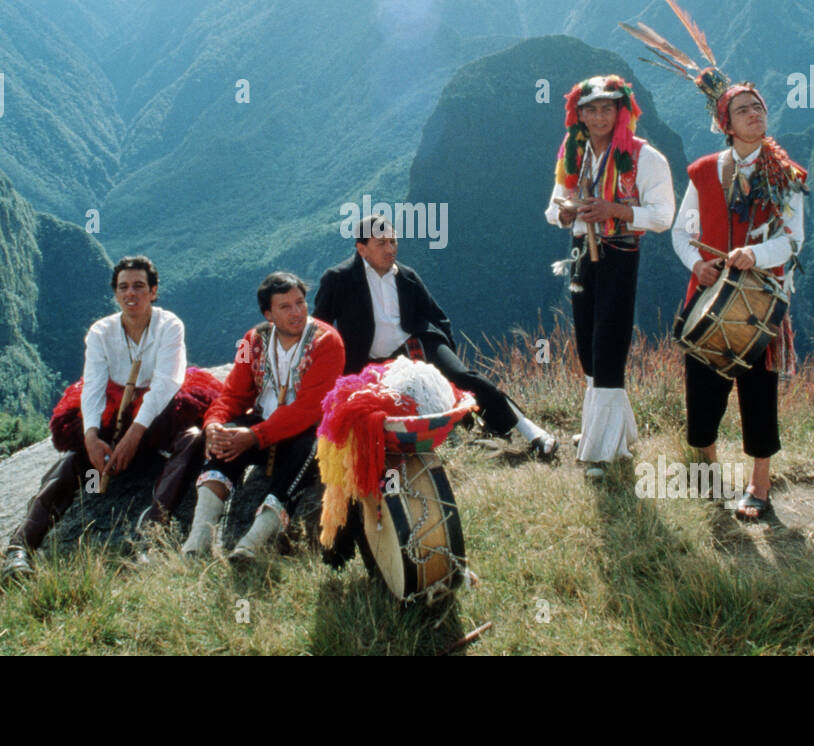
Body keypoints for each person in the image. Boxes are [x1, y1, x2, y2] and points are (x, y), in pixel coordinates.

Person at [0, 255, 202, 587]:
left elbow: (167, 382)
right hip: (115, 405)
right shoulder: (101, 331)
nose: (130, 294)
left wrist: (134, 435)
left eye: (139, 286)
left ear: (153, 291)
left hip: (160, 408)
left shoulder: (170, 326)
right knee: (76, 460)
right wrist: (92, 437)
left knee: (193, 438)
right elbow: (92, 385)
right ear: (115, 293)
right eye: (123, 287)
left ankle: (151, 533)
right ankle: (19, 549)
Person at [670, 82, 807, 520]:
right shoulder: (704, 172)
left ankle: (759, 484)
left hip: (760, 301)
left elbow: (793, 240)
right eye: (743, 109)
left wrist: (755, 255)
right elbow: (681, 232)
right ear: (725, 125)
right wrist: (697, 265)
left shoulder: (785, 175)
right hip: (710, 294)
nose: (754, 113)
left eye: (758, 106)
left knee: (758, 392)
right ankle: (708, 474)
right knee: (702, 391)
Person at [314, 215, 558, 457]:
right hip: (367, 361)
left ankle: (532, 432)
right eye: (381, 243)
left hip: (416, 344)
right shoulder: (338, 279)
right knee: (368, 409)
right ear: (362, 249)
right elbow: (320, 328)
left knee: (463, 377)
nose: (390, 249)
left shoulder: (406, 277)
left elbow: (439, 318)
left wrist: (447, 358)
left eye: (393, 241)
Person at [544, 74, 675, 478]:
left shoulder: (644, 156)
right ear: (579, 114)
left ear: (621, 112)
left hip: (620, 255)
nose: (599, 116)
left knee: (609, 345)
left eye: (607, 108)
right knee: (588, 345)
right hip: (581, 254)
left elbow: (663, 217)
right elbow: (553, 207)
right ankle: (611, 431)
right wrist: (564, 212)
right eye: (591, 109)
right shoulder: (573, 153)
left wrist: (614, 210)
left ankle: (602, 452)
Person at [182, 271, 345, 562]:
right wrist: (214, 423)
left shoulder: (327, 342)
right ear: (268, 314)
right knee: (222, 441)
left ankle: (252, 544)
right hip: (261, 425)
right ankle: (198, 540)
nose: (297, 312)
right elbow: (234, 393)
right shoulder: (251, 341)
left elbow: (308, 409)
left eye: (300, 302)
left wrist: (255, 436)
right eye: (285, 306)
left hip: (304, 430)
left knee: (308, 448)